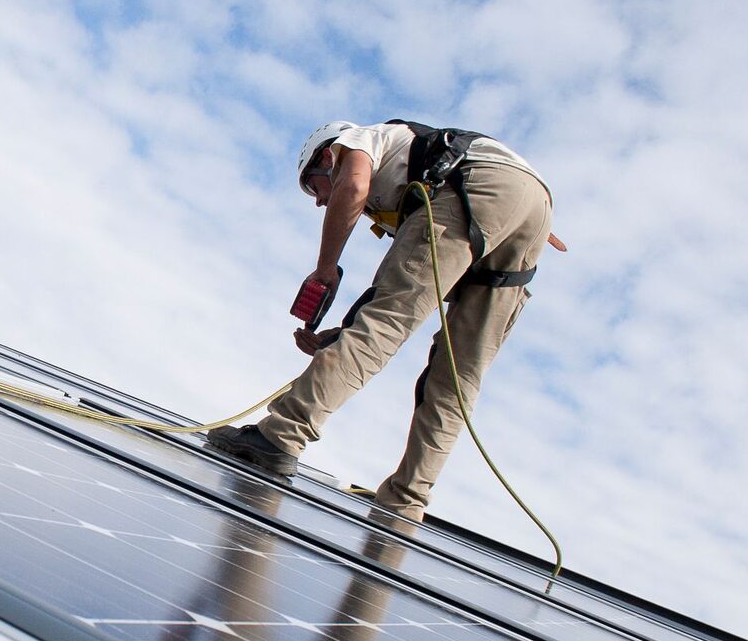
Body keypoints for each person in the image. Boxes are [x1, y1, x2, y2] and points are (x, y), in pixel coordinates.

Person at [207, 119, 563, 523]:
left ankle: (280, 435)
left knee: (387, 327)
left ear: (327, 157)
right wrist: (344, 336)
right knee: (459, 377)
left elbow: (353, 187)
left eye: (314, 187)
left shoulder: (356, 141)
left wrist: (325, 269)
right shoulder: (411, 182)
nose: (318, 202)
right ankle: (406, 502)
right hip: (536, 210)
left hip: (480, 184)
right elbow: (405, 292)